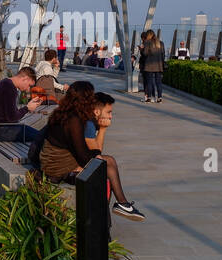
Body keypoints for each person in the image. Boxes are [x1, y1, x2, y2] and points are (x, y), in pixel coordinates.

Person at [38, 83, 145, 221]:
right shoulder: (74, 120)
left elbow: (79, 150)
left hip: (55, 162)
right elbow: (83, 157)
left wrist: (96, 154)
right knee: (106, 165)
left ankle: (122, 204)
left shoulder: (63, 113)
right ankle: (119, 207)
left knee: (108, 161)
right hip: (58, 168)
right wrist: (96, 155)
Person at [0, 66, 43, 143]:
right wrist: (27, 108)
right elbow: (12, 118)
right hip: (0, 130)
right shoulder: (10, 88)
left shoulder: (5, 82)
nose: (28, 89)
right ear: (25, 78)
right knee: (41, 137)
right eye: (29, 85)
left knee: (39, 134)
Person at [140, 29, 165, 103]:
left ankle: (150, 98)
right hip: (159, 65)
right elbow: (163, 54)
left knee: (149, 82)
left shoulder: (147, 42)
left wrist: (141, 50)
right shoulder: (161, 43)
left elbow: (145, 54)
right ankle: (159, 97)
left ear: (148, 35)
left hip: (149, 66)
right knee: (158, 82)